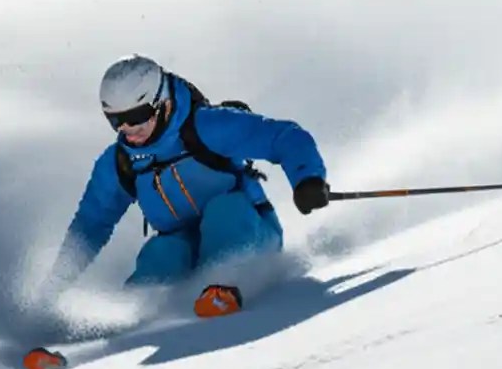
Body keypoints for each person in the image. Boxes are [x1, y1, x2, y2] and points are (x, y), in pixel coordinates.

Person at [50, 53, 331, 318]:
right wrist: (55, 285)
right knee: (162, 252)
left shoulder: (206, 126)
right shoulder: (119, 163)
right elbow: (89, 226)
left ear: (162, 103)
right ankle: (131, 319)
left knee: (225, 209)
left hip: (249, 233)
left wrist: (307, 179)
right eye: (116, 120)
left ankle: (225, 283)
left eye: (136, 116)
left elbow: (283, 137)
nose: (128, 129)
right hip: (185, 247)